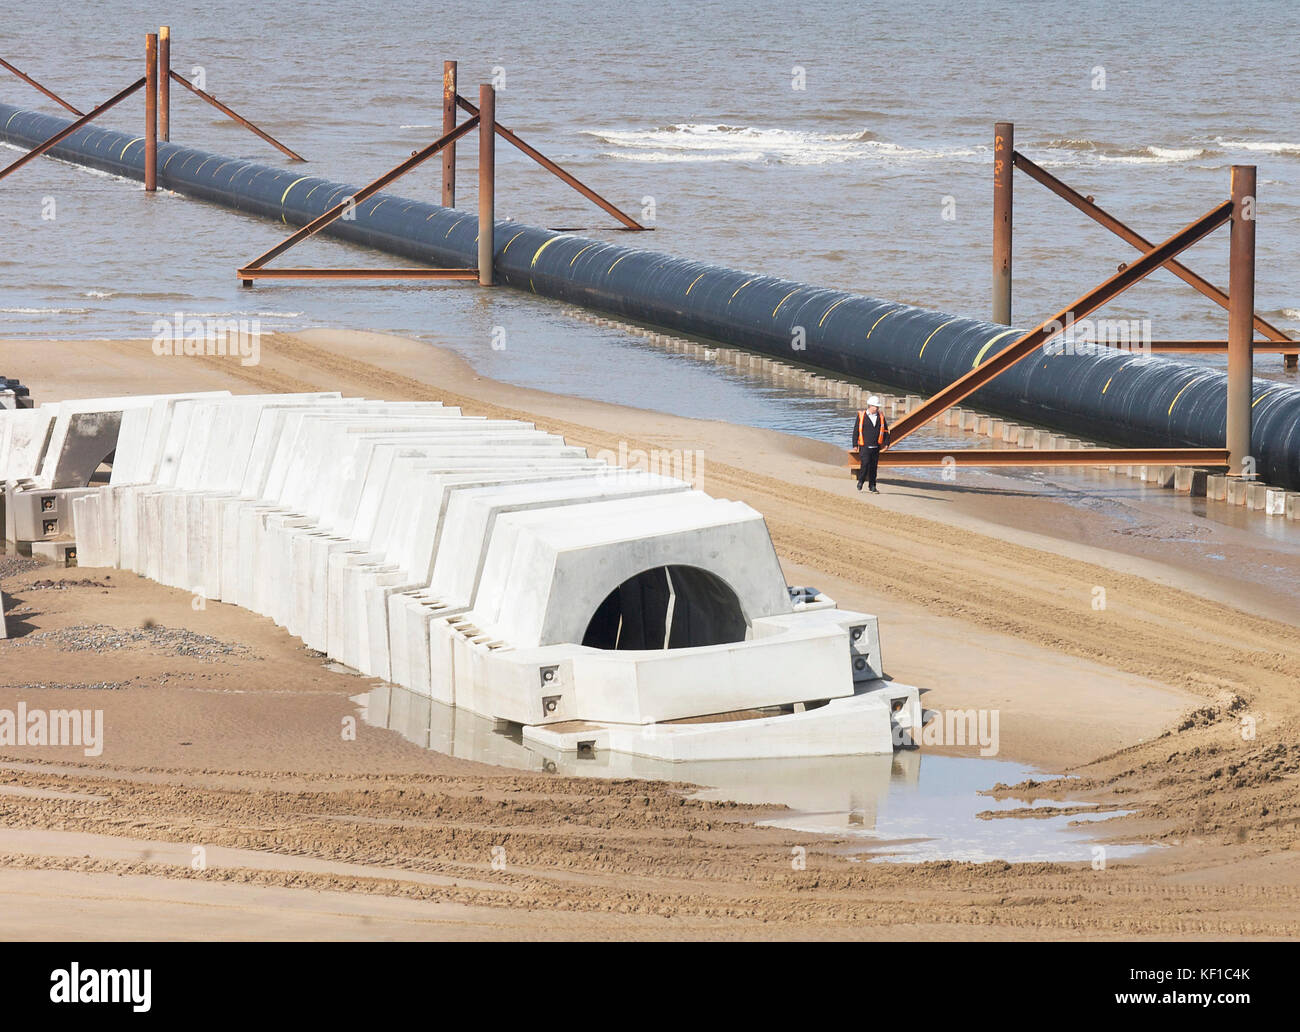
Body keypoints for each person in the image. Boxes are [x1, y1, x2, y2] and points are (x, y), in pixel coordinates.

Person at [852, 396, 889, 493]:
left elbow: (885, 430)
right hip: (864, 445)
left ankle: (872, 486)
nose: (876, 408)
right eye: (875, 406)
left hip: (876, 446)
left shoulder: (881, 416)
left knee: (873, 467)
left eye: (877, 407)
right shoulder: (861, 415)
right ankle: (861, 481)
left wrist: (886, 443)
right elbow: (856, 430)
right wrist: (855, 444)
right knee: (865, 464)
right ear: (870, 406)